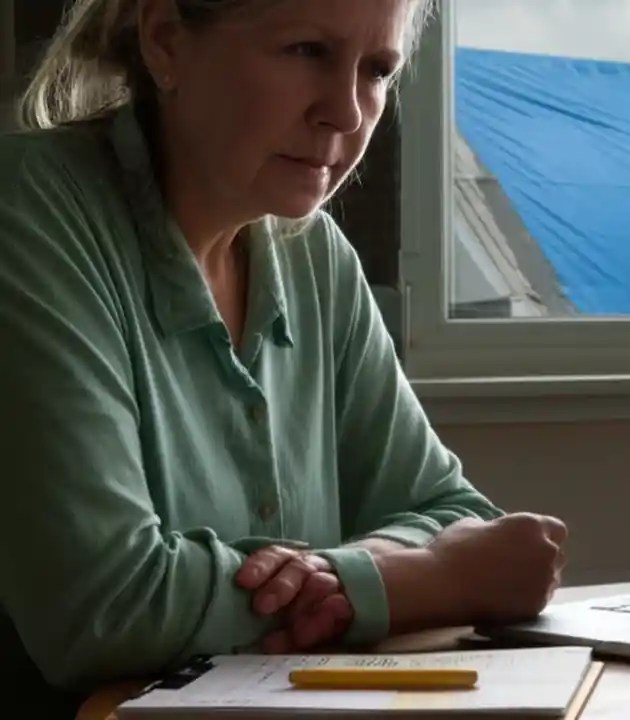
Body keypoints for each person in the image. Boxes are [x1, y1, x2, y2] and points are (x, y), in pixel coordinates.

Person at [0, 0, 568, 714]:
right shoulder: (26, 210)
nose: (347, 113)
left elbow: (445, 509)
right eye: (305, 51)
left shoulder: (316, 257)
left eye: (377, 70)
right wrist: (426, 580)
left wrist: (334, 576)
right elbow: (103, 606)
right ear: (167, 40)